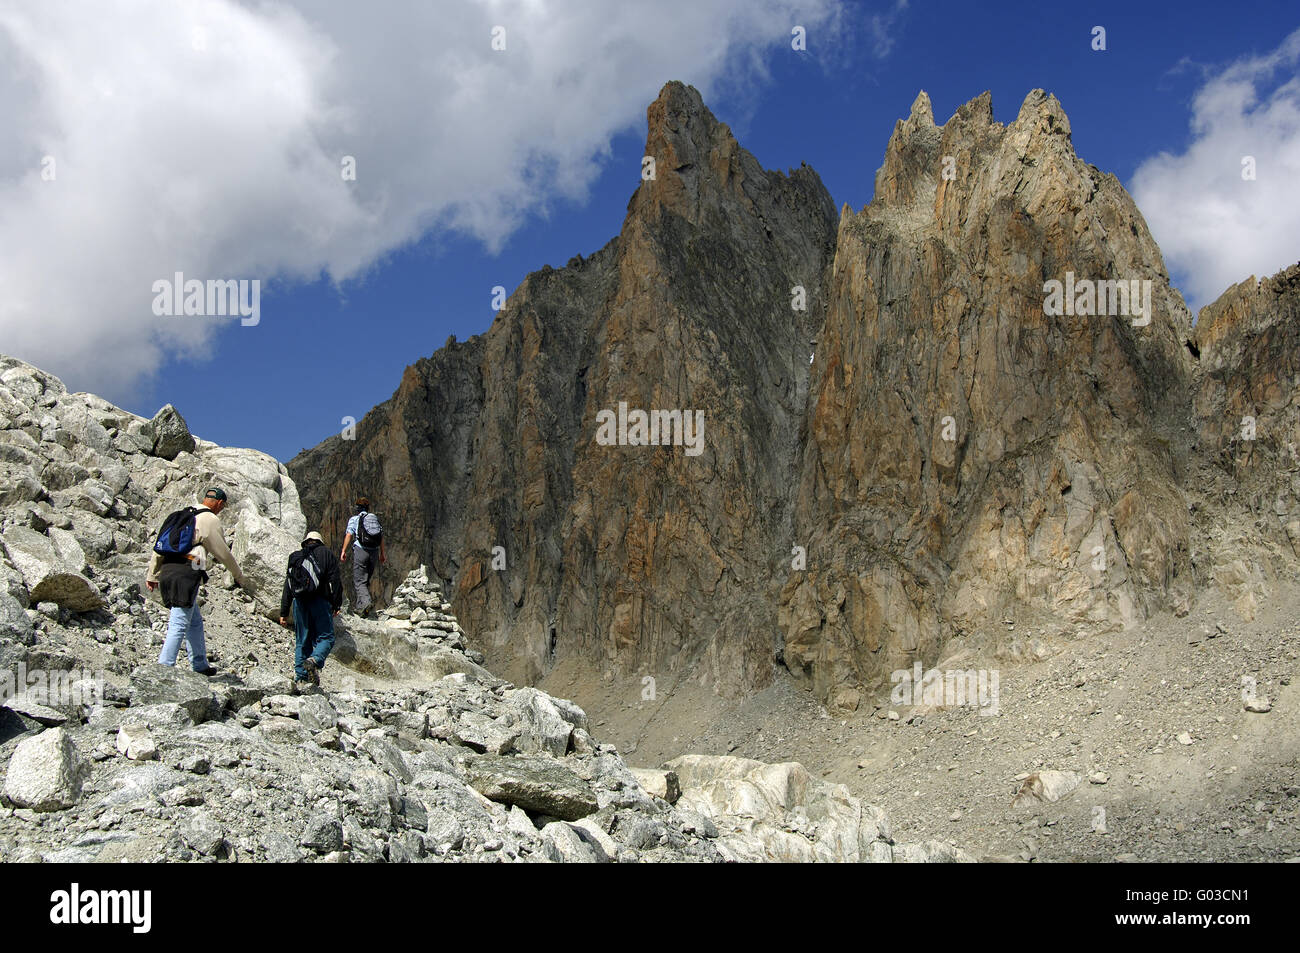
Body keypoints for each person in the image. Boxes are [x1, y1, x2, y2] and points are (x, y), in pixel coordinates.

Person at [145, 488, 252, 676]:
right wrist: (238, 575)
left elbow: (159, 547)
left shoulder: (181, 514)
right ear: (219, 503)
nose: (221, 510)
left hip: (168, 570)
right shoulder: (209, 519)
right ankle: (163, 668)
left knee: (194, 621)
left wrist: (152, 575)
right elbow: (223, 553)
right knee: (179, 622)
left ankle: (200, 664)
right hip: (187, 571)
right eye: (223, 507)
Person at [279, 531, 343, 686]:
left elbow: (288, 585)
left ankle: (301, 677)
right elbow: (335, 581)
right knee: (326, 637)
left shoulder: (296, 557)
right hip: (320, 600)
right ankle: (315, 660)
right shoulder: (326, 554)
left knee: (302, 639)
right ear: (319, 542)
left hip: (299, 602)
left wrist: (284, 612)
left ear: (306, 542)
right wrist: (336, 604)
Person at [340, 496, 385, 617]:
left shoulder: (355, 519)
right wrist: (382, 554)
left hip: (361, 550)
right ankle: (361, 609)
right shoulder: (374, 519)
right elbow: (380, 537)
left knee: (359, 580)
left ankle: (366, 602)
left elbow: (349, 535)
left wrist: (343, 550)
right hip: (374, 552)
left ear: (357, 508)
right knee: (365, 580)